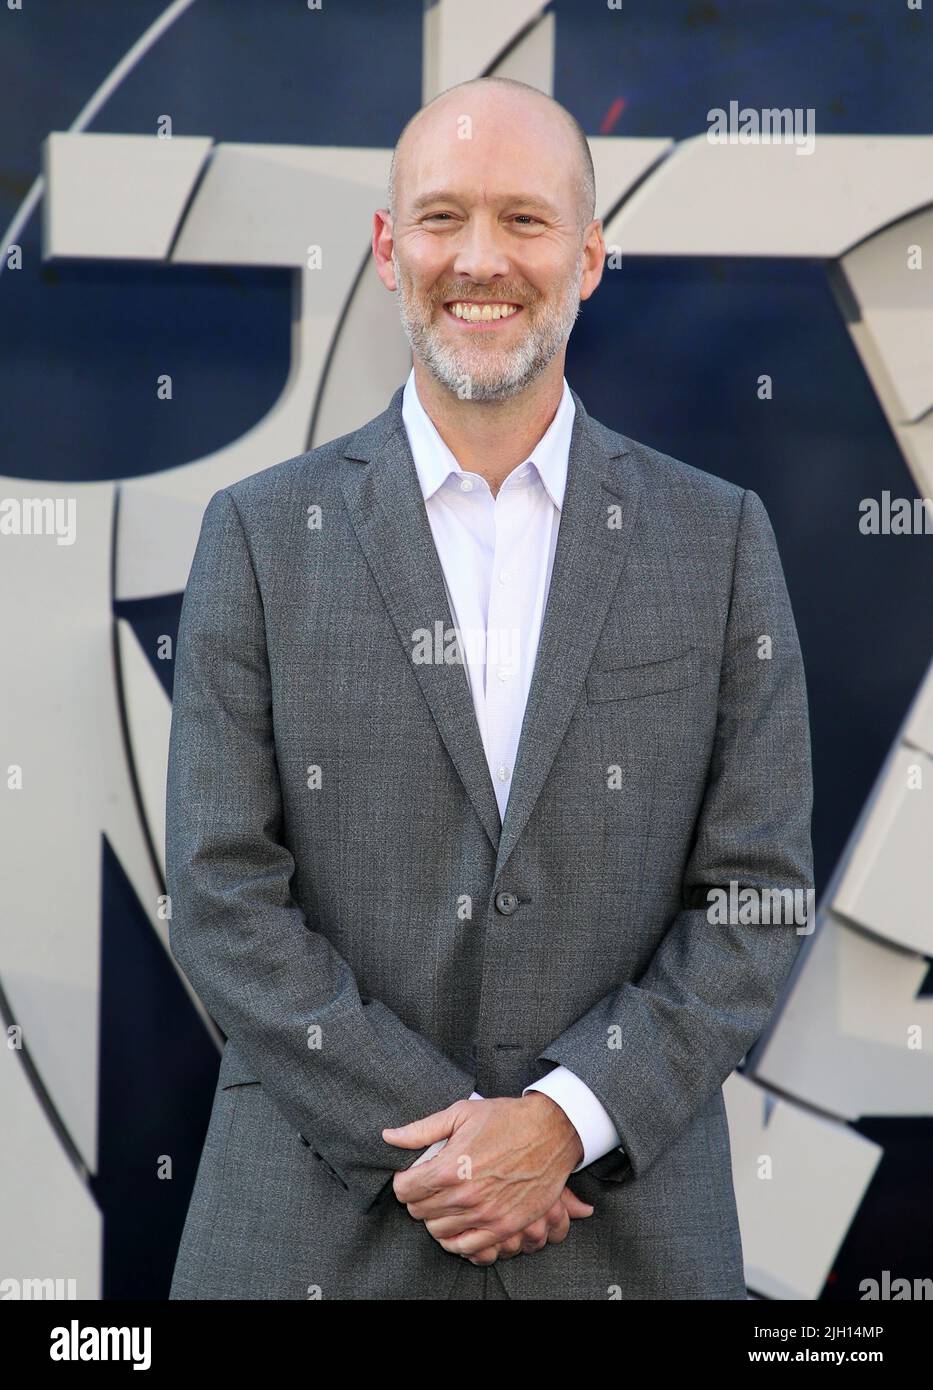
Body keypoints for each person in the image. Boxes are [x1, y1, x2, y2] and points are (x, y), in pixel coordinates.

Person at [167, 76, 814, 1300]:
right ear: (384, 246)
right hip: (316, 1235)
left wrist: (566, 1121)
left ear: (589, 254)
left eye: (524, 220)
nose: (480, 259)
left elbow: (758, 895)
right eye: (442, 217)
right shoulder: (257, 534)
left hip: (622, 1241)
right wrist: (467, 1145)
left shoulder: (718, 540)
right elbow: (218, 891)